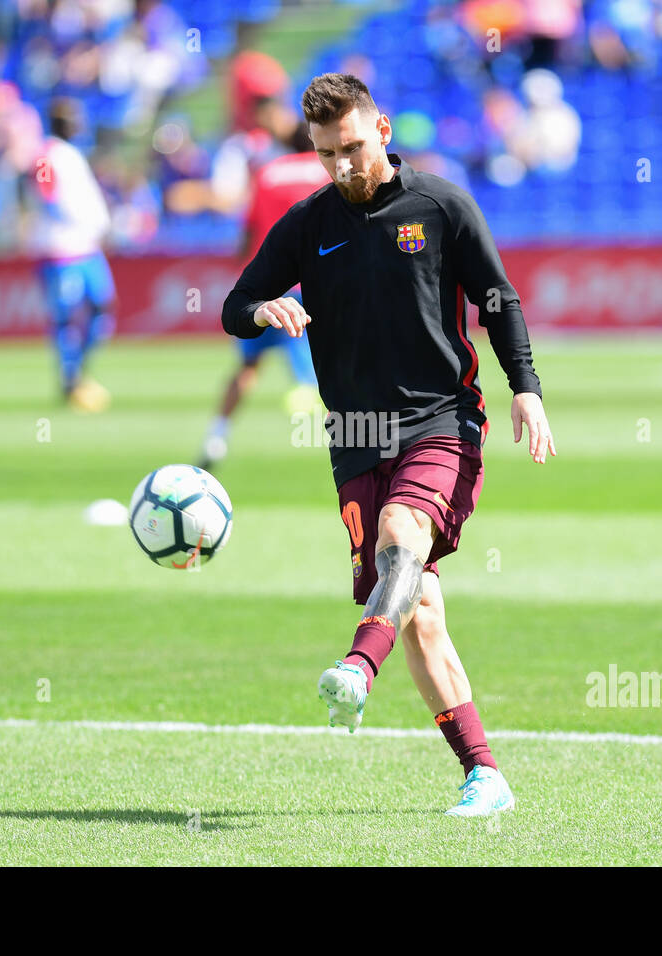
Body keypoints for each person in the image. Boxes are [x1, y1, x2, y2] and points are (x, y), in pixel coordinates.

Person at [222, 73, 555, 817]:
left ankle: (357, 666)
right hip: (355, 442)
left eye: (349, 148)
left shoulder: (441, 205)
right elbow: (233, 306)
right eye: (324, 154)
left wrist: (524, 387)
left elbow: (498, 298)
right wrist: (263, 308)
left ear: (382, 130)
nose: (340, 166)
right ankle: (485, 776)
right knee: (419, 608)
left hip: (443, 422)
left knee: (402, 541)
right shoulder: (308, 224)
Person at [198, 119, 327, 471]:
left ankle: (216, 435)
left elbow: (248, 230)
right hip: (310, 283)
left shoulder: (267, 173)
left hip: (266, 287)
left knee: (247, 367)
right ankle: (310, 399)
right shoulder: (326, 174)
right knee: (328, 354)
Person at [27, 98, 116, 411]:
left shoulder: (72, 154)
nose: (79, 123)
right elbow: (46, 194)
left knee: (101, 309)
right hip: (60, 249)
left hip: (87, 248)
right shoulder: (46, 154)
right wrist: (79, 220)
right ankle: (70, 381)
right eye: (73, 118)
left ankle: (79, 373)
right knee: (66, 317)